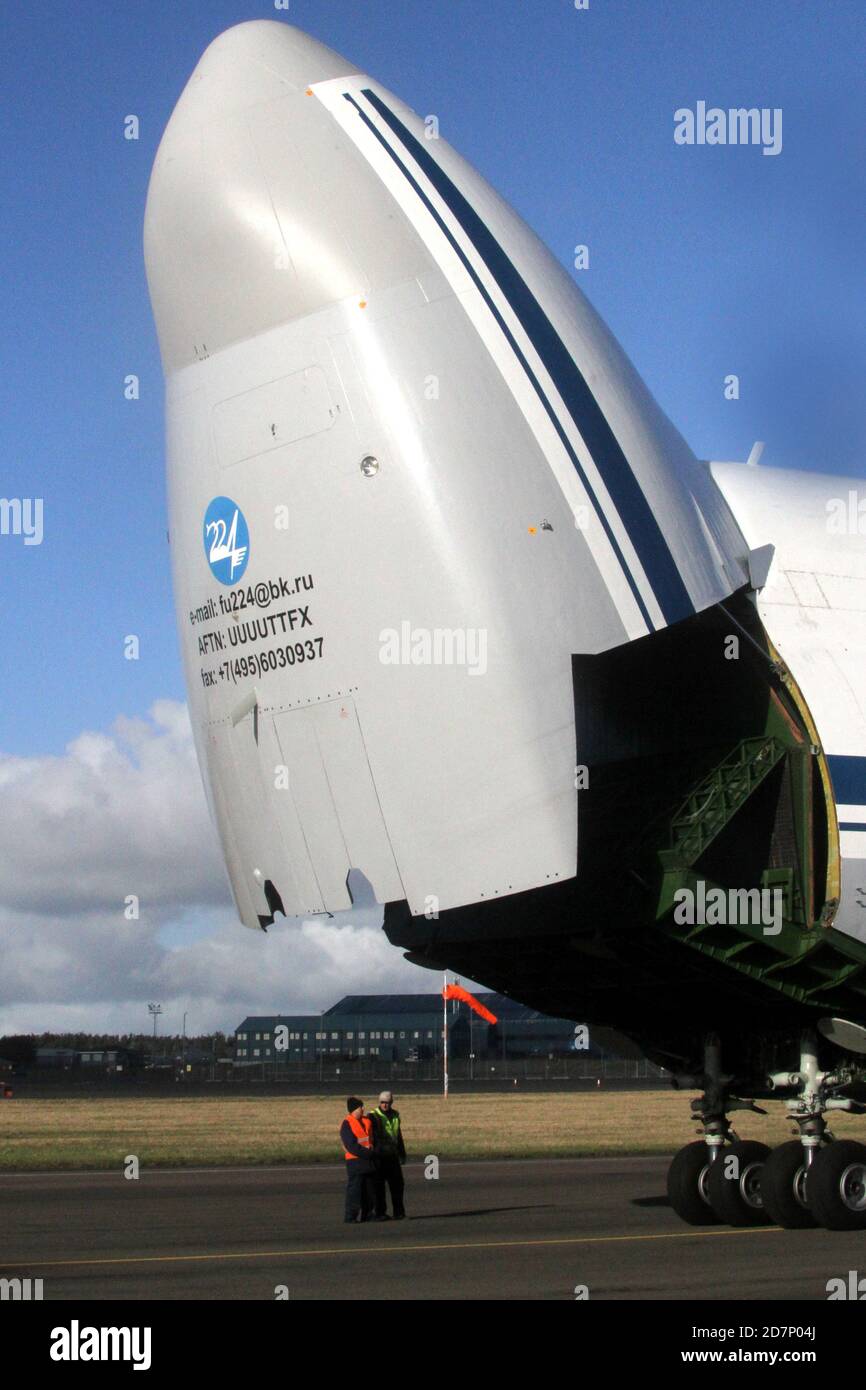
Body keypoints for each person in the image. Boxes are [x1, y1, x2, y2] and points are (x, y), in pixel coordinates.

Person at [370, 1090, 407, 1220]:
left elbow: (398, 1135)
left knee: (398, 1185)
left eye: (387, 1102)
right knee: (379, 1187)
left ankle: (399, 1212)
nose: (385, 1105)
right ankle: (380, 1213)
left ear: (391, 1102)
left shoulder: (395, 1115)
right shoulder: (373, 1116)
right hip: (380, 1157)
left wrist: (402, 1153)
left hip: (392, 1155)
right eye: (382, 1102)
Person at [340, 1097, 375, 1223]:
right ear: (355, 1109)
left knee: (369, 1190)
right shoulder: (347, 1124)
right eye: (361, 1107)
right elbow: (351, 1146)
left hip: (368, 1162)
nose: (363, 1109)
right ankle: (350, 1216)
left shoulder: (367, 1121)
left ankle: (369, 1214)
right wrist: (368, 1152)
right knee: (354, 1191)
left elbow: (371, 1138)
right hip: (355, 1162)